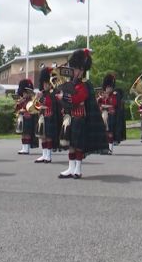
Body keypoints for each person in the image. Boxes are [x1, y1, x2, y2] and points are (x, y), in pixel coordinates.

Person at [57, 49, 108, 179]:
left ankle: (78, 169)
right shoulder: (72, 83)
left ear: (81, 69)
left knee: (78, 145)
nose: (72, 71)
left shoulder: (84, 85)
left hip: (80, 119)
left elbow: (78, 98)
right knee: (71, 145)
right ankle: (71, 167)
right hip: (71, 118)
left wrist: (64, 96)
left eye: (74, 68)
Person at [34, 67, 60, 163]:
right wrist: (37, 99)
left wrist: (44, 106)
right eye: (44, 84)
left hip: (50, 116)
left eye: (47, 84)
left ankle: (48, 155)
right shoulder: (42, 94)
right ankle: (44, 154)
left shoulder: (54, 93)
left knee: (49, 136)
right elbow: (37, 106)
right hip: (42, 117)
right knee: (42, 136)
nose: (45, 86)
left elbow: (53, 104)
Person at [15, 79, 37, 155]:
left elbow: (30, 109)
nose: (24, 94)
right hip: (23, 118)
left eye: (26, 93)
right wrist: (18, 104)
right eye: (23, 93)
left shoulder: (31, 100)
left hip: (28, 118)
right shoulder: (22, 100)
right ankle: (23, 147)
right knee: (23, 133)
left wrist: (23, 110)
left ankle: (26, 148)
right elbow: (17, 109)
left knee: (27, 133)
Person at [98, 73, 119, 155]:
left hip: (110, 115)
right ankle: (104, 148)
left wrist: (105, 105)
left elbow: (114, 104)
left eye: (110, 87)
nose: (109, 89)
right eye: (107, 87)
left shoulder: (114, 95)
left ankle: (110, 149)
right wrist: (100, 99)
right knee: (104, 133)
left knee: (110, 132)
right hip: (103, 115)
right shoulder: (102, 95)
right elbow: (98, 104)